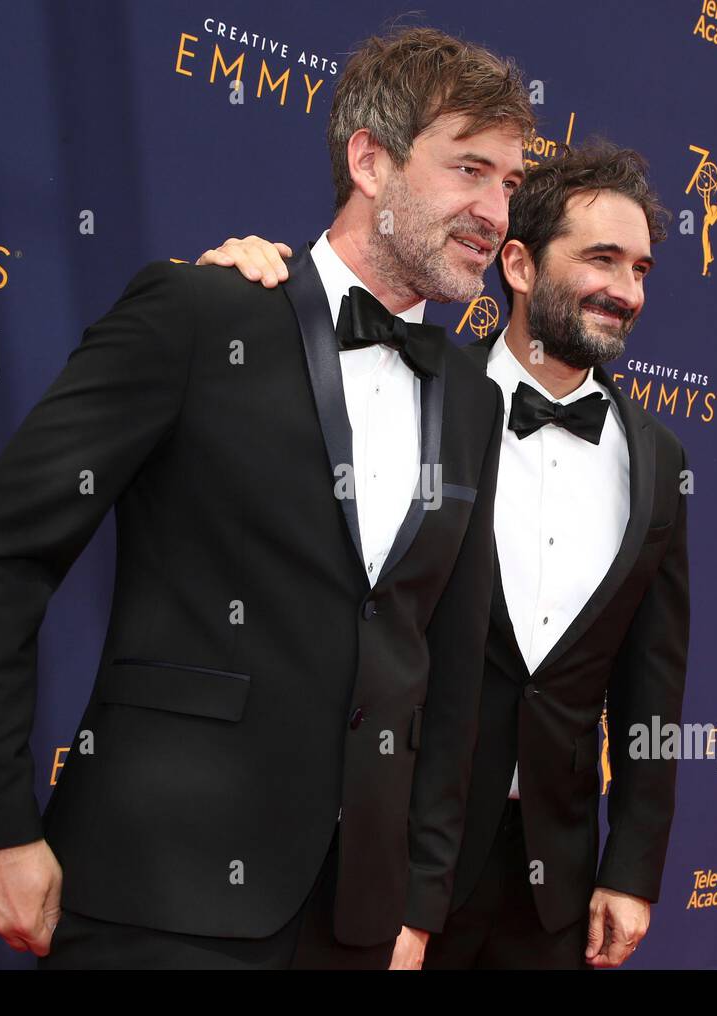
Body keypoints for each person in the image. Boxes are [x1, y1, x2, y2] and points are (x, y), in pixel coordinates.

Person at [0, 26, 535, 970]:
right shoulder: (202, 314)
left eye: (509, 182)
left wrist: (420, 897)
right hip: (158, 895)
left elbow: (450, 673)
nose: (497, 211)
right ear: (370, 161)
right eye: (470, 169)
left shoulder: (473, 403)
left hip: (359, 922)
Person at [198, 139, 690, 969]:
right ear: (520, 265)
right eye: (602, 258)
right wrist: (230, 285)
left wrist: (634, 866)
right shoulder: (415, 395)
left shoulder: (661, 461)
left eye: (641, 268)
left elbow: (653, 682)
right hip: (388, 860)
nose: (626, 290)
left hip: (557, 887)